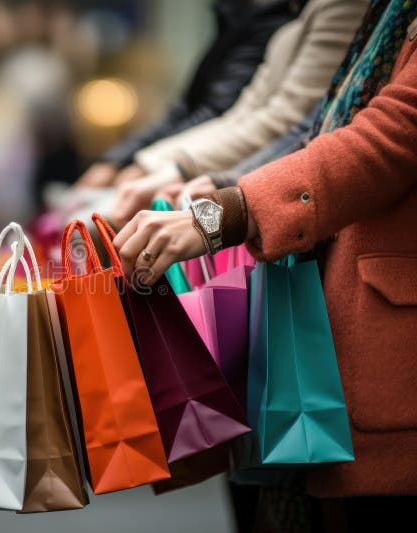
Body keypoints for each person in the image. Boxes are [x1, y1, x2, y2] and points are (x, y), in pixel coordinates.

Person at [113, 1, 417, 528]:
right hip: (338, 338)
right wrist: (219, 189)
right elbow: (319, 130)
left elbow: (386, 137)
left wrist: (221, 214)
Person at [108, 0, 369, 228]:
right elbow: (241, 112)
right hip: (240, 179)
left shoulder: (330, 7)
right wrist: (153, 166)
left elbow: (292, 125)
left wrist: (208, 183)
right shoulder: (266, 11)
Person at [77, 0, 298, 189]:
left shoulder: (271, 21)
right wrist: (118, 160)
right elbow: (185, 109)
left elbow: (221, 113)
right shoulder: (237, 14)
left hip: (217, 169)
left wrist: (151, 166)